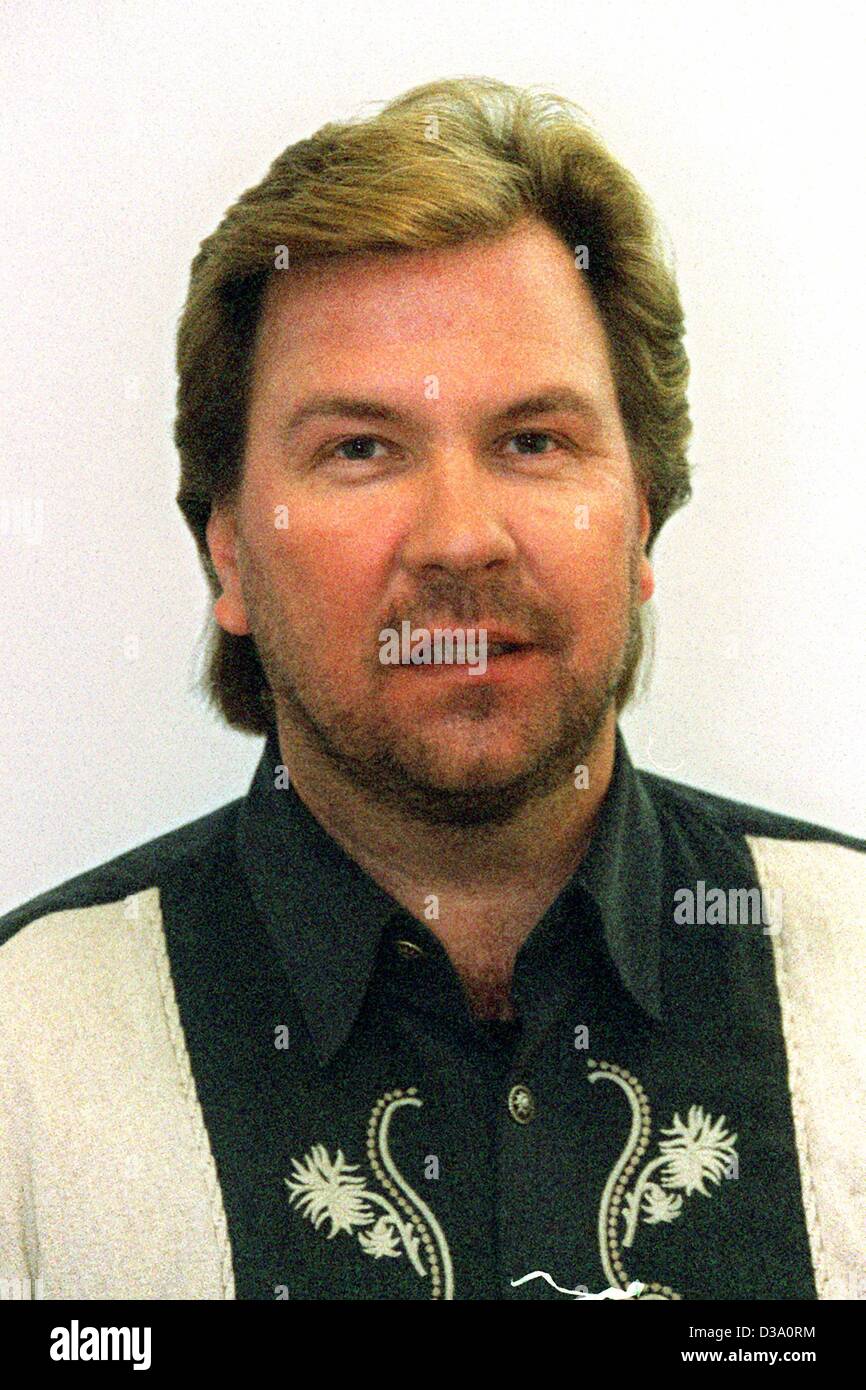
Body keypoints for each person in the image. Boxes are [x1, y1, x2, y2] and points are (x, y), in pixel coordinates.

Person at [1, 76, 863, 1302]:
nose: (460, 538)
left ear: (641, 525)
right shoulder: (24, 1062)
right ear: (228, 552)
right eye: (359, 449)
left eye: (532, 441)